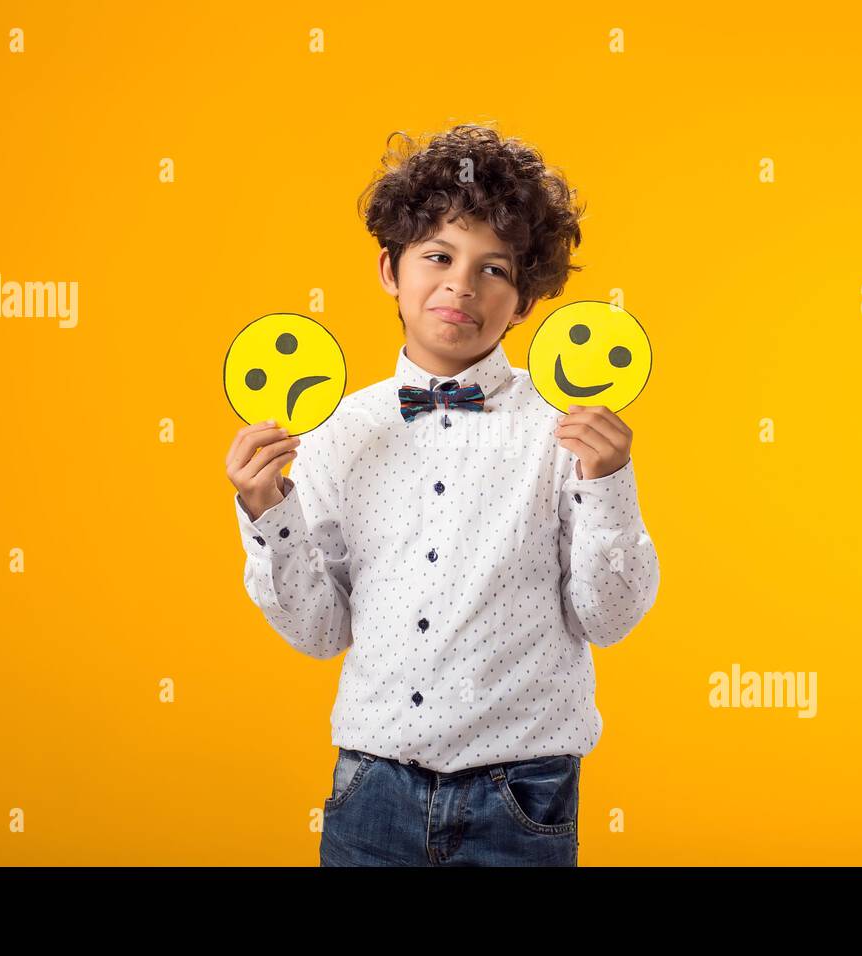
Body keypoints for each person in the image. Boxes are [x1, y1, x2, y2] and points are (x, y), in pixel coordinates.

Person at [225, 124, 660, 866]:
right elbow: (320, 632)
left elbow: (607, 618)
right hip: (372, 788)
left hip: (523, 793)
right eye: (438, 256)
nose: (462, 284)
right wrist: (270, 514)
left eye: (495, 269)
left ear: (524, 302)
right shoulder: (335, 431)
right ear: (391, 269)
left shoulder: (566, 431)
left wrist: (608, 485)